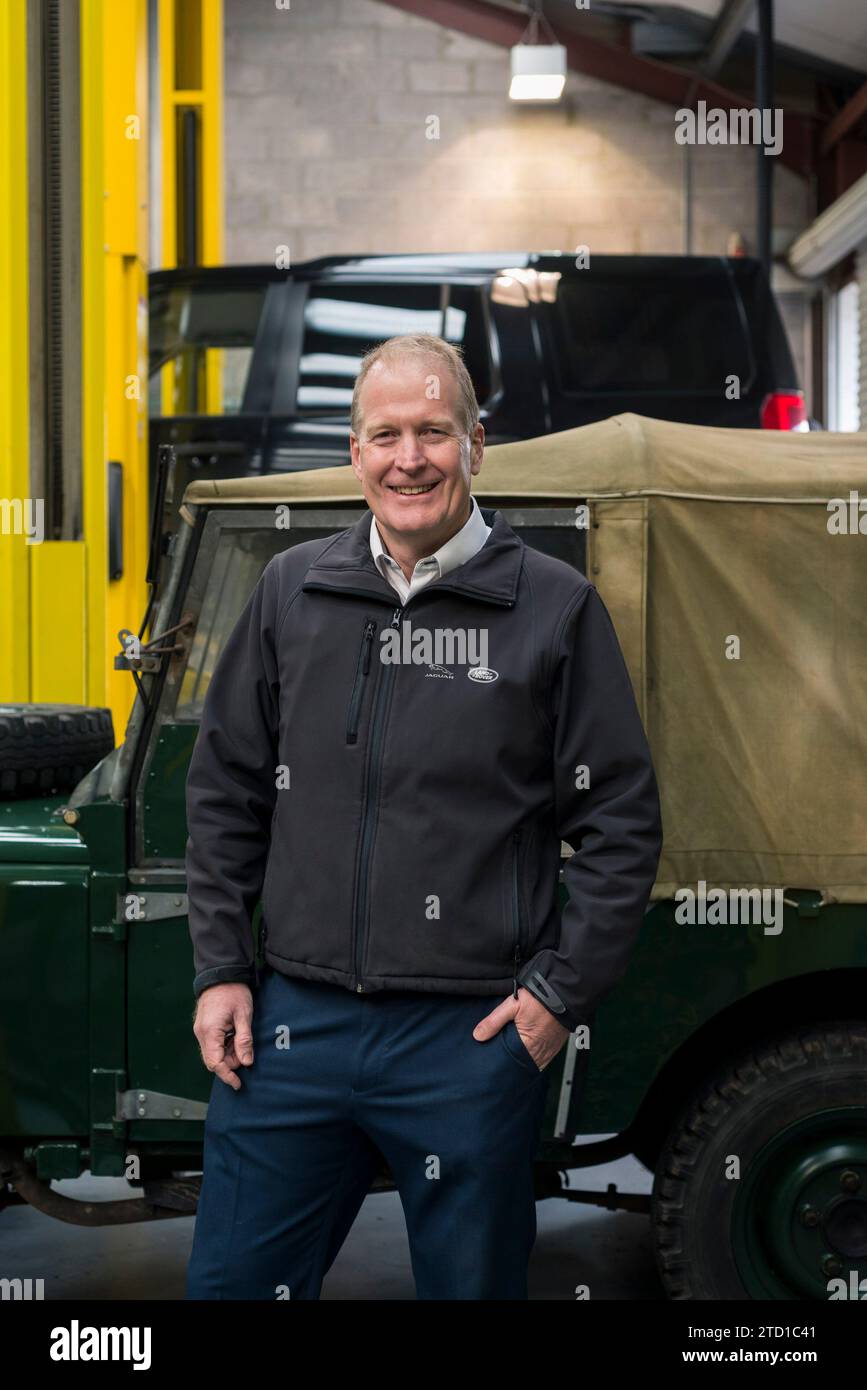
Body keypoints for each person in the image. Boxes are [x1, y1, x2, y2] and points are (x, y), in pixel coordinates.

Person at [184, 332, 663, 1300]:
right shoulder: (293, 592)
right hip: (294, 1028)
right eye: (387, 433)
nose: (412, 457)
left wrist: (556, 999)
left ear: (478, 444)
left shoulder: (553, 606)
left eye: (436, 432)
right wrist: (224, 969)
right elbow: (227, 790)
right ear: (355, 451)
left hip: (469, 1038)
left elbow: (620, 818)